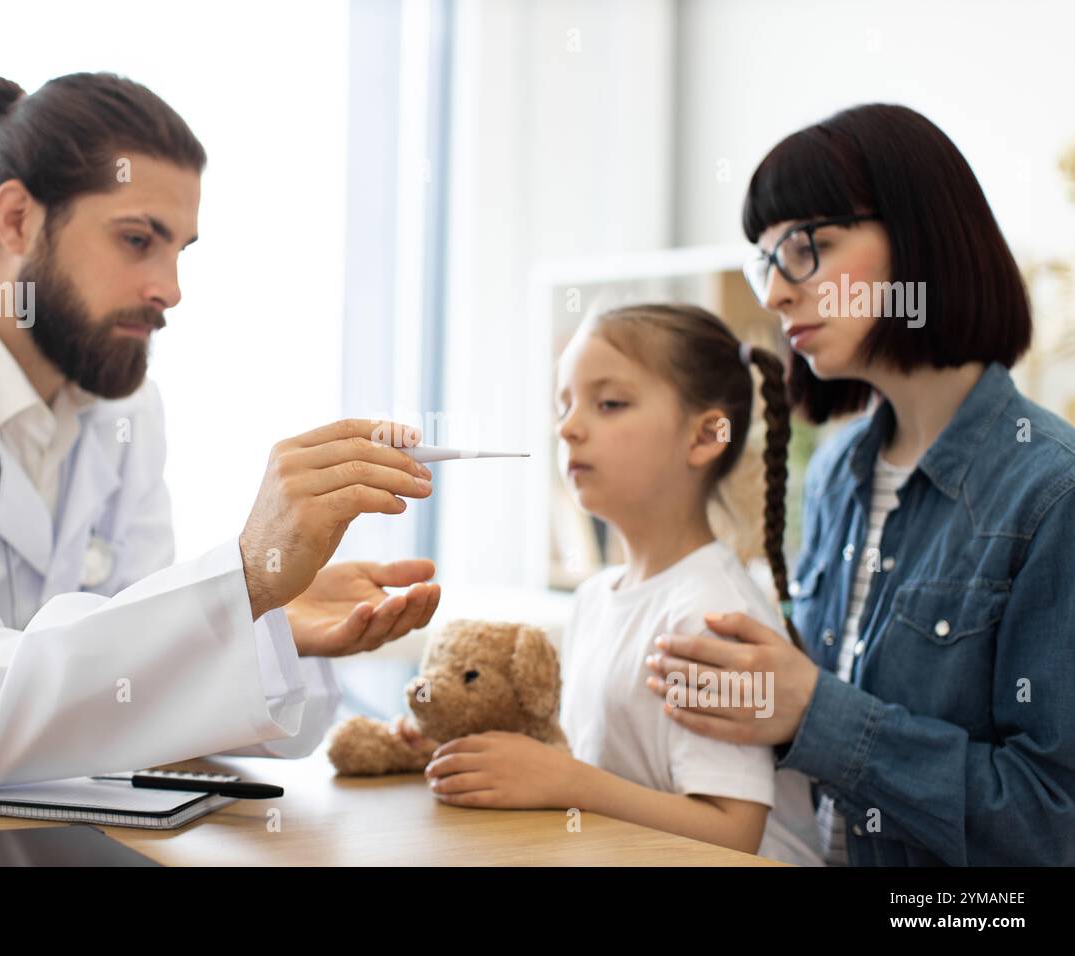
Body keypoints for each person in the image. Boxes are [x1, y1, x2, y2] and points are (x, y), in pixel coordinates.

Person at [0, 73, 440, 792]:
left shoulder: (121, 412)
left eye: (180, 250)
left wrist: (261, 621)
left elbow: (120, 685)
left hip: (9, 795)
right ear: (17, 220)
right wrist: (239, 580)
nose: (170, 289)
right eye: (136, 240)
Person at [641, 103, 1075, 865]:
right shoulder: (840, 473)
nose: (775, 293)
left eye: (807, 246)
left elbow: (1053, 820)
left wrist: (815, 711)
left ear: (920, 238)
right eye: (765, 258)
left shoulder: (1051, 494)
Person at [421, 303, 822, 865]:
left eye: (609, 403)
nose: (568, 427)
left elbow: (734, 834)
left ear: (706, 436)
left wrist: (566, 782)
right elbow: (595, 765)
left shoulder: (713, 614)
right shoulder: (594, 598)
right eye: (564, 405)